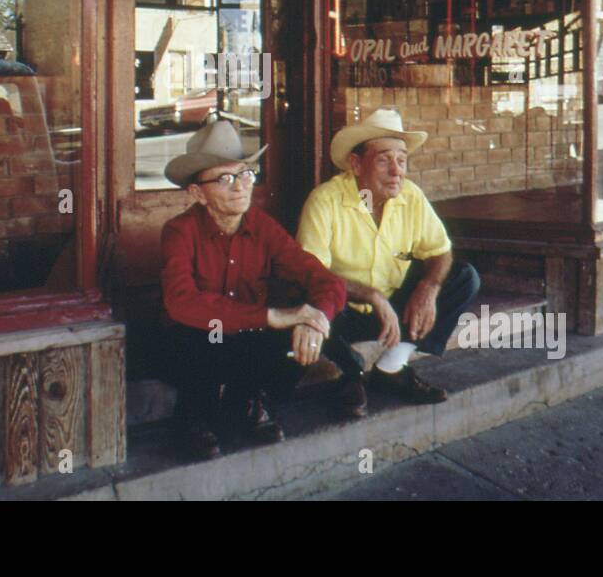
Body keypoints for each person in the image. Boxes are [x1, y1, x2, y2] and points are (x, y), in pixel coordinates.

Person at [159, 119, 359, 460]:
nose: (240, 187)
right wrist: (274, 315)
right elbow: (182, 303)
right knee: (202, 335)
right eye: (225, 178)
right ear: (197, 193)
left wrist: (314, 319)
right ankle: (193, 418)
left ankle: (249, 402)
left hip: (248, 339)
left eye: (245, 175)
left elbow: (326, 281)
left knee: (316, 319)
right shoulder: (180, 231)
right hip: (199, 341)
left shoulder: (262, 226)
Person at [297, 108, 481, 414]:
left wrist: (429, 287)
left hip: (392, 314)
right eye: (384, 160)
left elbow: (440, 250)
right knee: (303, 296)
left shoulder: (411, 196)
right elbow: (311, 273)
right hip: (341, 313)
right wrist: (371, 295)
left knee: (464, 276)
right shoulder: (325, 200)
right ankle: (350, 373)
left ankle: (391, 369)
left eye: (402, 160)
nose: (396, 171)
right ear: (356, 164)